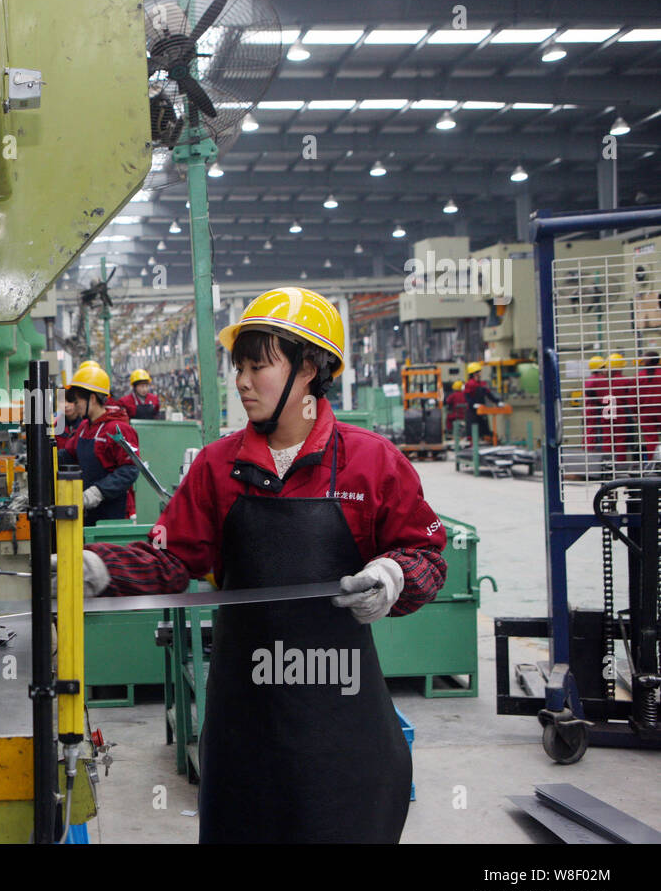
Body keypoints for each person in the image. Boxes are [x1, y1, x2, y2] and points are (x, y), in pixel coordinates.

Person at [77, 287, 446, 843]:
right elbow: (174, 560)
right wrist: (98, 569)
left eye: (258, 367)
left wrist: (395, 577)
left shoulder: (371, 464)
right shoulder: (217, 467)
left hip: (343, 737)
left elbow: (426, 554)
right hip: (243, 736)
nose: (243, 382)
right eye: (239, 368)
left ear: (310, 369)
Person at [57, 361, 140, 524]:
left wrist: (98, 492)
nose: (75, 406)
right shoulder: (84, 427)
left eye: (78, 401)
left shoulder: (118, 429)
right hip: (89, 512)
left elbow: (130, 470)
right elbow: (68, 455)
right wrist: (43, 461)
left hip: (113, 516)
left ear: (92, 398)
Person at [464, 362, 500, 443]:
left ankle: (489, 441)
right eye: (479, 371)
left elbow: (488, 394)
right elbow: (467, 397)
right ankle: (473, 448)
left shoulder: (482, 384)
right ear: (474, 373)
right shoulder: (469, 384)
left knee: (485, 430)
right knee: (473, 432)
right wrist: (473, 405)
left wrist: (497, 402)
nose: (481, 373)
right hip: (472, 413)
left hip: (482, 411)